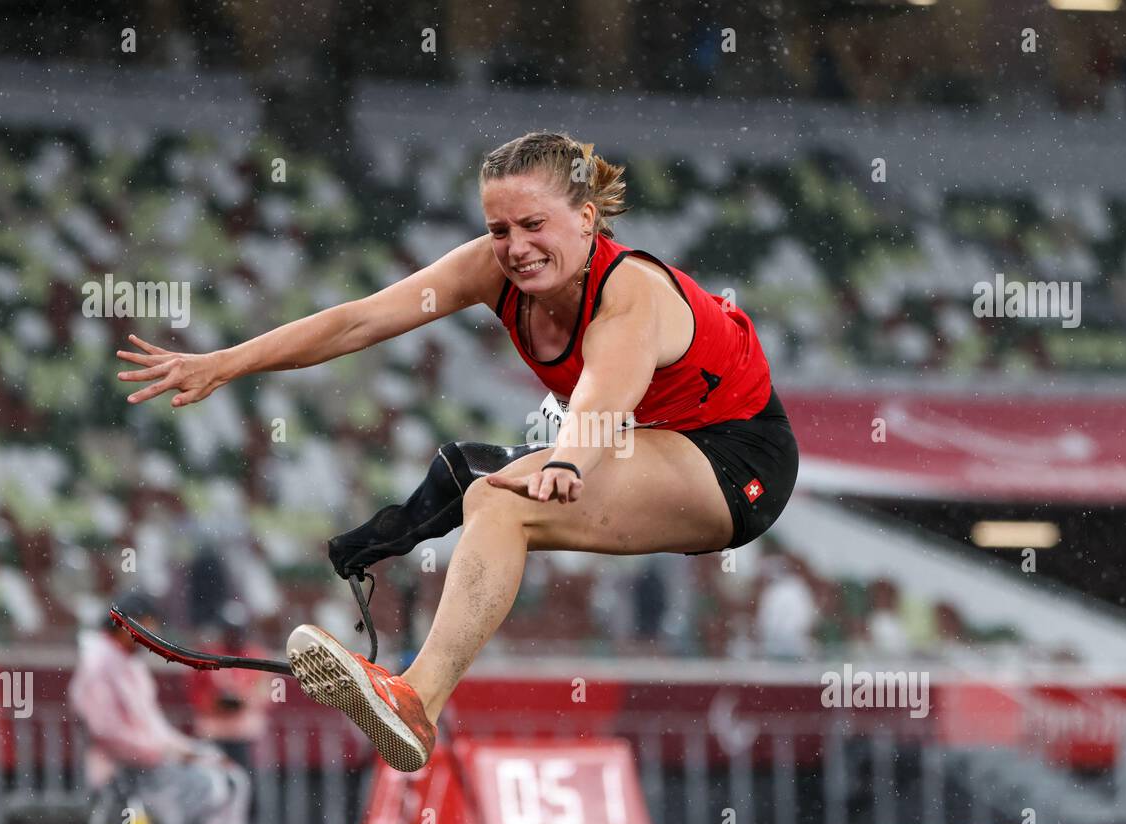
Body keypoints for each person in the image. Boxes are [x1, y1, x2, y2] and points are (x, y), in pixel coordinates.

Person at [116, 131, 800, 773]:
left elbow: (605, 393)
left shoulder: (632, 293)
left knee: (502, 501)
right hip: (650, 441)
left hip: (737, 460)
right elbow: (361, 319)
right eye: (501, 228)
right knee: (486, 496)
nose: (516, 247)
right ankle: (414, 702)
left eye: (535, 226)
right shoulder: (489, 269)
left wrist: (567, 462)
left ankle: (414, 697)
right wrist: (225, 363)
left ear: (588, 220)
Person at [69, 591, 252, 824]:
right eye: (147, 627)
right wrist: (165, 754)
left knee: (228, 776)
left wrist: (190, 751)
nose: (151, 638)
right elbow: (105, 732)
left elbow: (154, 727)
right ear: (127, 624)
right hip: (120, 776)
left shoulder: (131, 664)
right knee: (207, 785)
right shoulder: (98, 663)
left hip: (147, 767)